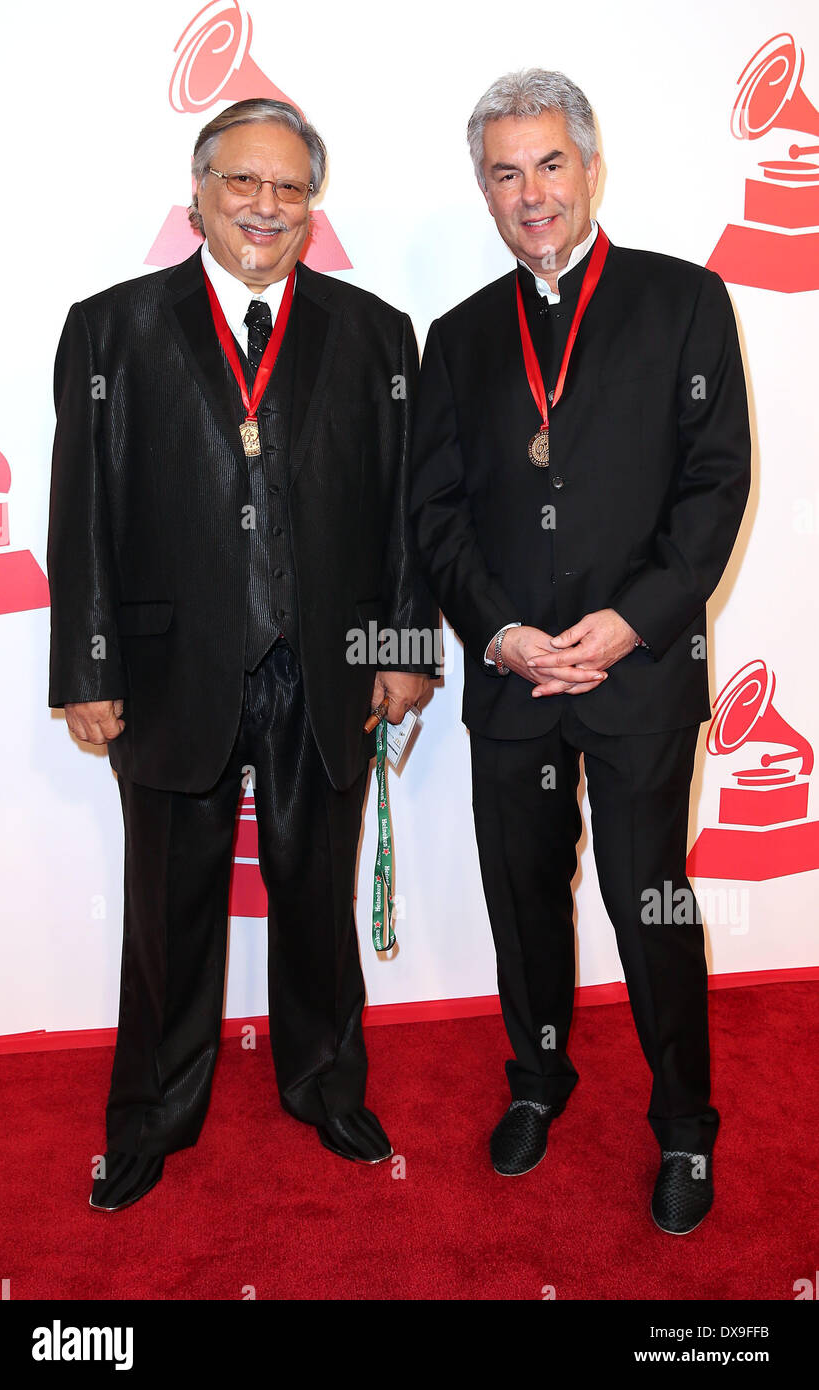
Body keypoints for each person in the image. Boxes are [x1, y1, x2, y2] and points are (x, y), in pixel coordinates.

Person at [48, 98, 433, 1212]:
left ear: (313, 206)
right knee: (167, 909)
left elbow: (406, 508)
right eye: (242, 184)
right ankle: (153, 1114)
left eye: (289, 189)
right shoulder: (111, 328)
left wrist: (404, 648)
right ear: (199, 193)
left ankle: (324, 1083)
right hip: (172, 670)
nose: (265, 208)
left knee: (314, 894)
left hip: (328, 665)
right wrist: (87, 665)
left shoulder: (373, 334)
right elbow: (82, 509)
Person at [411, 69, 750, 1233]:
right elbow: (437, 513)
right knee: (523, 900)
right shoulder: (454, 339)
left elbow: (716, 488)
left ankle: (686, 1126)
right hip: (513, 683)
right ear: (485, 191)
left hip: (639, 675)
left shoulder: (685, 301)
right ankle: (539, 1077)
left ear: (590, 167)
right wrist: (500, 633)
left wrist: (631, 620)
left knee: (650, 901)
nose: (531, 192)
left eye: (550, 163)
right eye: (505, 172)